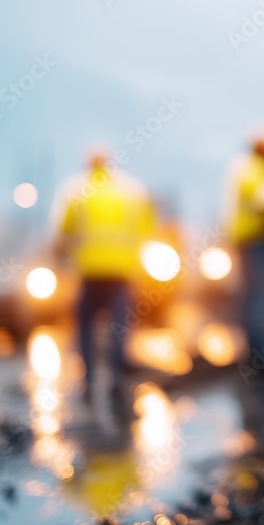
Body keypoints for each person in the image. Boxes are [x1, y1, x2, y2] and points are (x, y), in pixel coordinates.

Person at [53, 148, 155, 417]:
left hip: (90, 269)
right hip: (121, 269)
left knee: (86, 325)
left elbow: (65, 230)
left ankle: (88, 379)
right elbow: (147, 227)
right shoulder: (131, 190)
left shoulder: (77, 190)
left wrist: (62, 257)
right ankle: (117, 376)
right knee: (119, 325)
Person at [223, 132, 264, 377]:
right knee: (259, 299)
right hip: (256, 241)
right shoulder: (255, 170)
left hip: (247, 240)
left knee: (249, 297)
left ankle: (252, 353)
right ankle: (262, 357)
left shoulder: (242, 166)